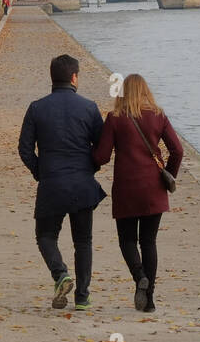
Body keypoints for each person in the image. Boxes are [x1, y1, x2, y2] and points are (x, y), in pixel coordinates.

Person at [18, 54, 106, 310]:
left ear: (52, 77)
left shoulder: (37, 108)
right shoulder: (89, 108)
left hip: (51, 184)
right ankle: (82, 295)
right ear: (74, 77)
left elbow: (24, 149)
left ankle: (60, 274)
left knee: (45, 235)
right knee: (83, 241)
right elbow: (101, 148)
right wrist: (91, 168)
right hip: (82, 184)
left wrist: (41, 172)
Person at [92, 74, 183, 312]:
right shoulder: (159, 115)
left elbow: (101, 157)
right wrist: (168, 174)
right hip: (154, 188)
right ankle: (149, 300)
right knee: (149, 241)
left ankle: (139, 275)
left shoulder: (115, 118)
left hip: (126, 188)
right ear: (146, 91)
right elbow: (178, 150)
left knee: (127, 239)